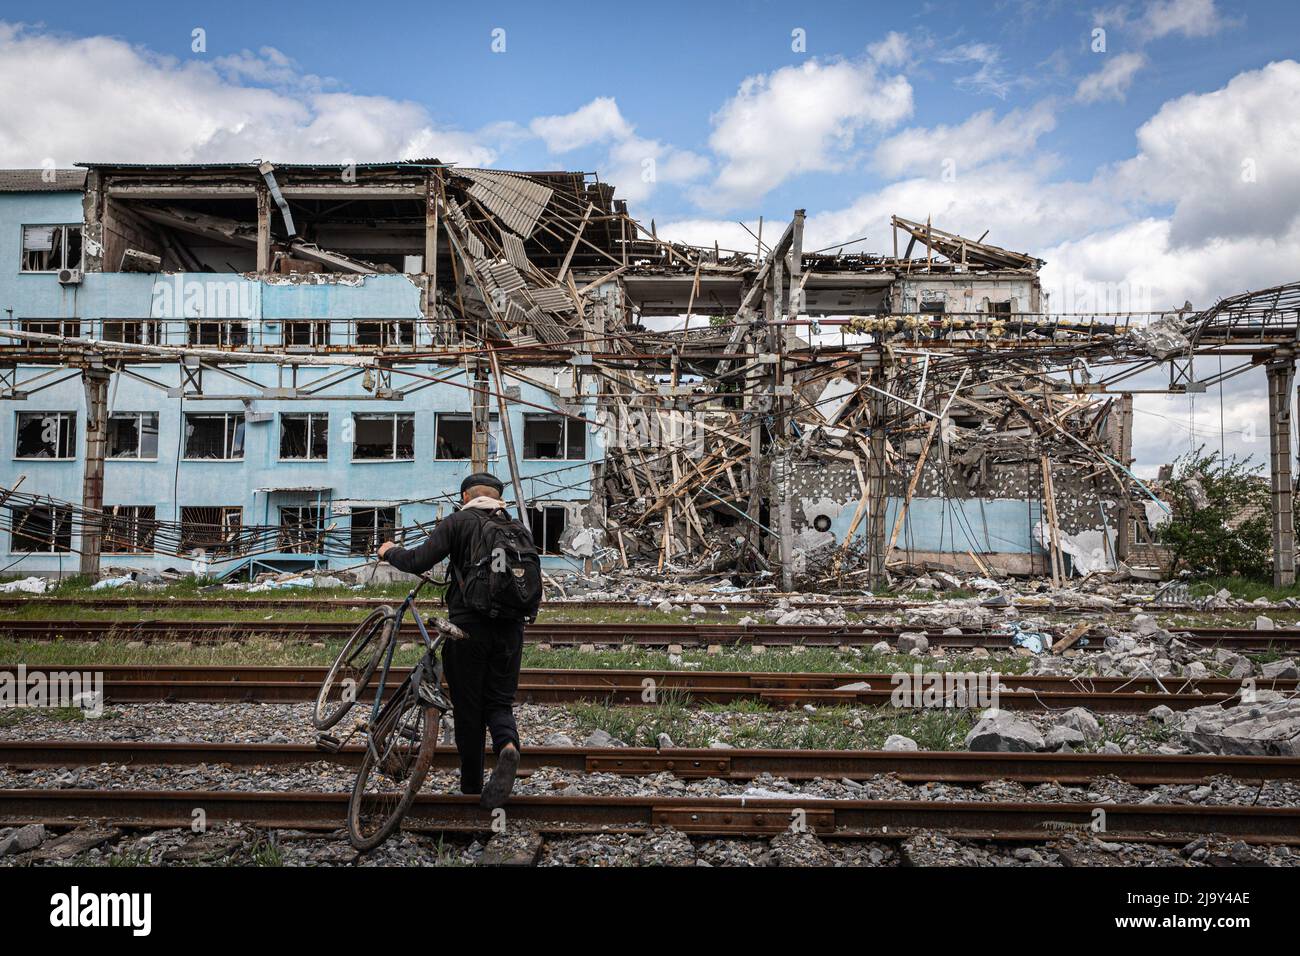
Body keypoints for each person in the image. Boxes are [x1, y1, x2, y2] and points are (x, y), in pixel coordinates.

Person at [377, 472, 523, 810]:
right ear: (499, 498)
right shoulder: (515, 528)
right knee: (499, 702)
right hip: (512, 629)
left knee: (469, 711)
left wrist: (389, 551)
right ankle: (508, 748)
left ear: (465, 496)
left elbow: (417, 561)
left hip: (467, 629)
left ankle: (471, 787)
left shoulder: (458, 522)